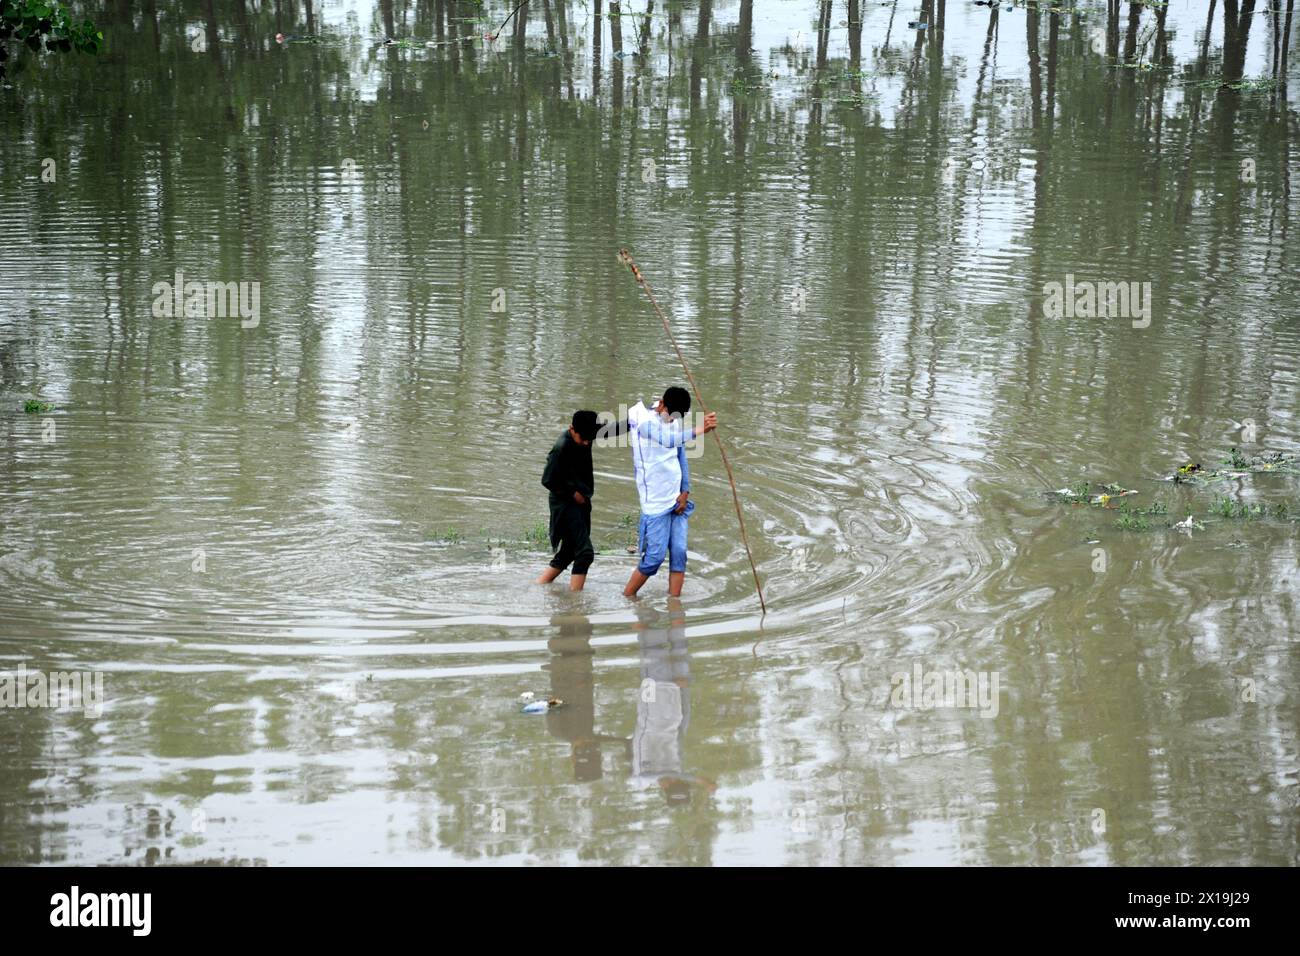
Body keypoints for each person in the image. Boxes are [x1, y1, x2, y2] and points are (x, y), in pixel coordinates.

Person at [618, 387, 717, 598]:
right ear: (661, 404)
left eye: (676, 418)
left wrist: (685, 491)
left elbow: (681, 456)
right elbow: (667, 440)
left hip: (677, 499)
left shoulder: (675, 421)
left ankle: (675, 605)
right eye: (670, 416)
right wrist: (699, 430)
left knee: (679, 553)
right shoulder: (643, 421)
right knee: (654, 558)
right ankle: (628, 598)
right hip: (655, 501)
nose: (672, 421)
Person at [536, 411, 599, 591]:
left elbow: (612, 429)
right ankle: (575, 604)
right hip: (564, 503)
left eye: (590, 439)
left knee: (569, 551)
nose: (587, 443)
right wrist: (573, 493)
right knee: (585, 553)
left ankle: (539, 587)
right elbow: (547, 480)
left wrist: (640, 416)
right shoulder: (561, 447)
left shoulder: (586, 432)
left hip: (581, 502)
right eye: (583, 439)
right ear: (572, 429)